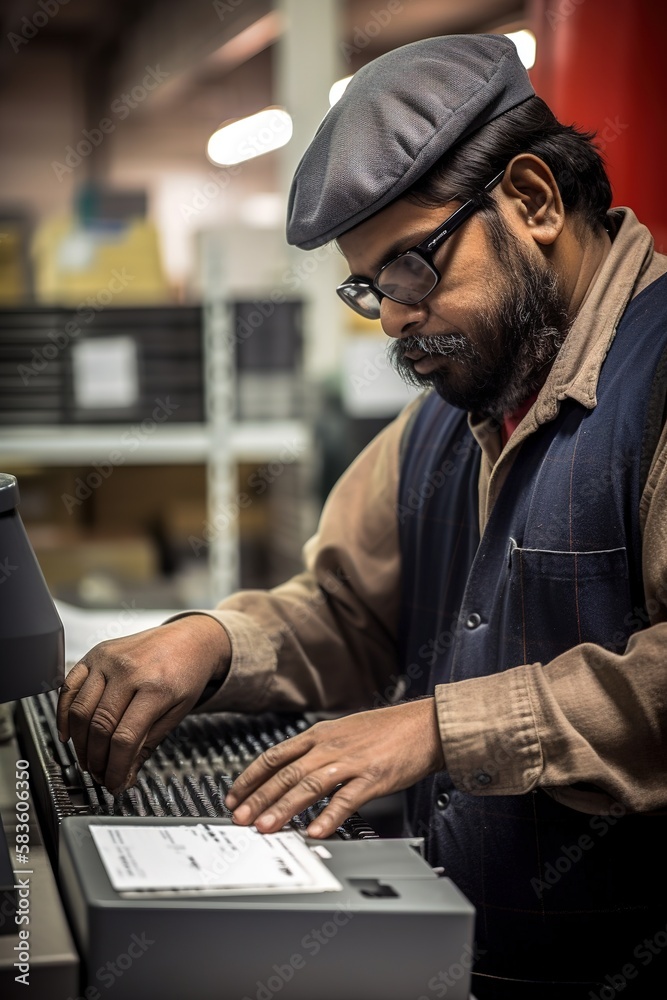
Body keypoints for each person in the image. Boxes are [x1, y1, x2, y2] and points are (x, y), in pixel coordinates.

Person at [56, 34, 667, 999]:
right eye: (370, 287)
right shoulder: (453, 412)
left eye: (412, 267)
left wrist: (440, 728)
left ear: (533, 200)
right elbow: (346, 611)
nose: (390, 318)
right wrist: (212, 642)